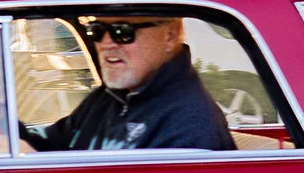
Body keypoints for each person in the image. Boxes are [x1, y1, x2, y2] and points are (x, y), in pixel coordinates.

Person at [25, 15, 233, 152]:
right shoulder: (110, 98)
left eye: (122, 32)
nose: (106, 43)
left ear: (169, 35)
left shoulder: (190, 126)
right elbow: (55, 140)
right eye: (97, 30)